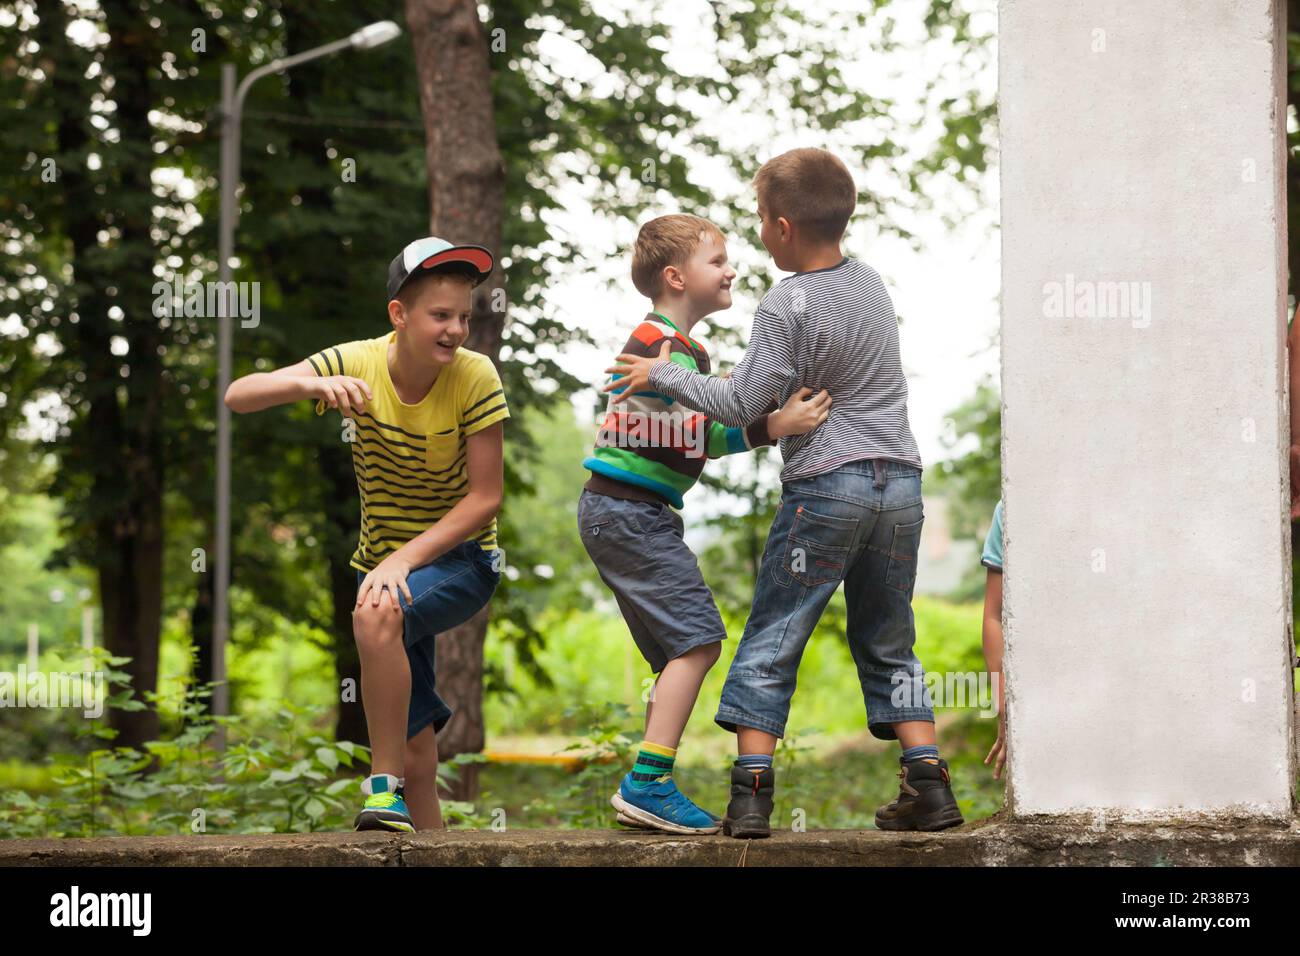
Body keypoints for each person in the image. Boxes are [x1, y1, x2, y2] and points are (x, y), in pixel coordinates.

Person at [605, 148, 963, 836]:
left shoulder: (784, 301)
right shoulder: (872, 284)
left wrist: (664, 375)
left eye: (761, 221)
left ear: (784, 227)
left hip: (829, 486)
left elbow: (739, 402)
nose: (758, 236)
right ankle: (929, 785)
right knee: (890, 638)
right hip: (901, 488)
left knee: (774, 632)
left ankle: (750, 798)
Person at [224, 236, 508, 832]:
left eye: (464, 316)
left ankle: (381, 790)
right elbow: (238, 395)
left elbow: (485, 498)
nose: (456, 328)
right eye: (440, 315)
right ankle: (429, 838)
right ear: (398, 316)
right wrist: (309, 385)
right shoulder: (356, 361)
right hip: (379, 564)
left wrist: (402, 561)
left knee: (376, 613)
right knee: (419, 754)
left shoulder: (475, 376)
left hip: (460, 560)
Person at [579, 213, 831, 834]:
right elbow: (704, 417)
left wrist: (769, 421)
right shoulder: (663, 345)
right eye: (717, 261)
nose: (732, 270)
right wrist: (770, 421)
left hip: (622, 513)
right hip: (630, 513)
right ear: (675, 276)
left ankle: (647, 788)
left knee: (676, 653)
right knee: (698, 641)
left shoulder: (680, 353)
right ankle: (648, 782)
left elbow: (705, 436)